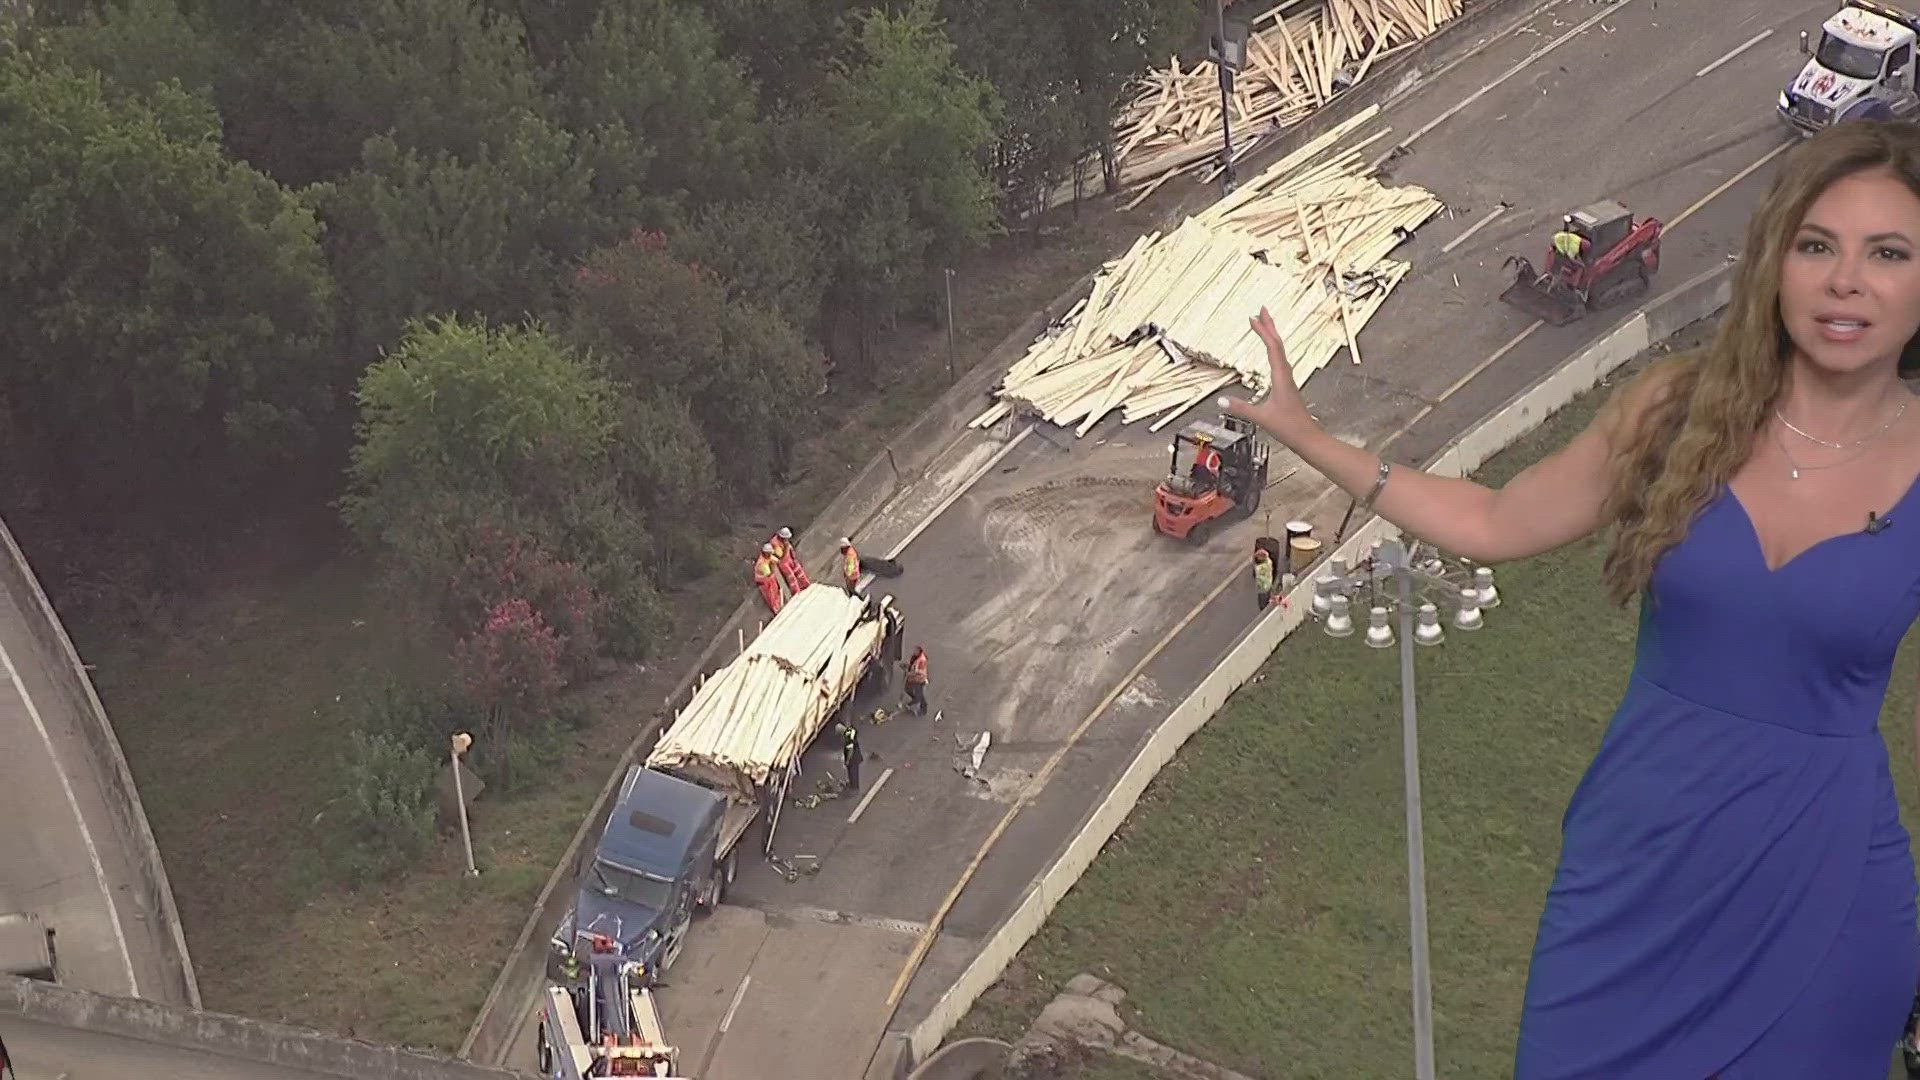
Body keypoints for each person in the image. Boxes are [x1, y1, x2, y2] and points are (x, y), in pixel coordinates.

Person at [1224, 119, 1920, 1079]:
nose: (1847, 281)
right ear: (1775, 261)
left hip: (1828, 896)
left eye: (1888, 253)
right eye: (1818, 246)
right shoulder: (1675, 411)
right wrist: (1307, 435)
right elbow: (1492, 520)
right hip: (1638, 874)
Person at [771, 526, 810, 592]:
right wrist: (786, 547)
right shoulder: (775, 543)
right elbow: (781, 557)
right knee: (791, 577)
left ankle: (806, 584)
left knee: (799, 570)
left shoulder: (785, 541)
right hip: (783, 563)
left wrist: (793, 556)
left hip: (789, 558)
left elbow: (790, 547)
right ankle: (796, 591)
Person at [753, 543, 783, 615]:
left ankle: (778, 604)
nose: (770, 554)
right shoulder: (762, 563)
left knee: (775, 589)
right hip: (763, 582)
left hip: (769, 579)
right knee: (770, 595)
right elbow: (768, 573)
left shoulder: (768, 557)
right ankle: (775, 610)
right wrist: (772, 566)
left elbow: (777, 560)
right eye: (769, 553)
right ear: (765, 553)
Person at [903, 646, 929, 716]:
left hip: (919, 680)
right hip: (913, 678)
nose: (914, 652)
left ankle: (922, 710)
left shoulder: (922, 660)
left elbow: (920, 672)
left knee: (919, 695)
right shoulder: (915, 657)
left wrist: (911, 673)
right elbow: (912, 665)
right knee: (907, 689)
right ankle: (914, 702)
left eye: (916, 651)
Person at [839, 720, 862, 790]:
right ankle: (853, 784)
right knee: (852, 772)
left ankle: (854, 786)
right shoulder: (850, 733)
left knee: (853, 772)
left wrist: (847, 760)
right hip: (855, 756)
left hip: (853, 758)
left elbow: (850, 750)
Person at [1252, 547, 1276, 612]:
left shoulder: (1259, 568)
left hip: (1262, 588)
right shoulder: (1269, 562)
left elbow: (1257, 576)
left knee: (1262, 603)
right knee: (1268, 597)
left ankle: (1263, 611)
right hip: (1269, 583)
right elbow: (1266, 555)